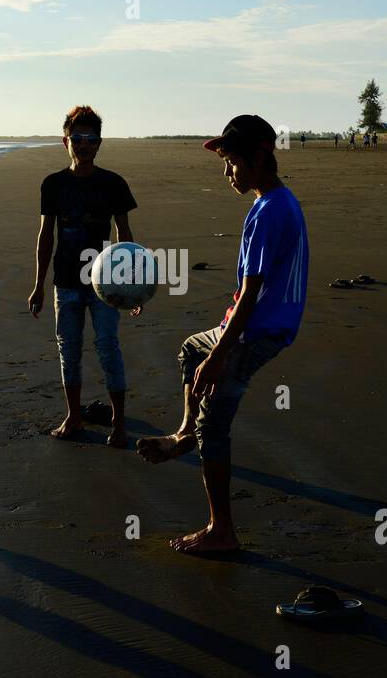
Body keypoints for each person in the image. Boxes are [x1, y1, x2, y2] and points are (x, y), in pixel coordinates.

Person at [136, 115, 308, 554]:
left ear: (257, 158)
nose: (226, 171)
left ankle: (222, 531)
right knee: (192, 349)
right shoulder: (273, 203)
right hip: (254, 324)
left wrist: (222, 351)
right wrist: (214, 346)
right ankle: (183, 434)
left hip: (257, 331)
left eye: (231, 161)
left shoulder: (270, 211)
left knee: (215, 422)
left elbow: (252, 291)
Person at [28, 105, 139, 446]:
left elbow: (124, 234)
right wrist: (38, 286)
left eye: (91, 139)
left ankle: (119, 424)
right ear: (66, 142)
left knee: (108, 347)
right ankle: (74, 416)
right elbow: (47, 235)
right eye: (78, 138)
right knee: (69, 350)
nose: (84, 144)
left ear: (99, 143)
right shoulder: (53, 184)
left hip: (103, 285)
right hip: (65, 283)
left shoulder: (113, 184)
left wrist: (132, 285)